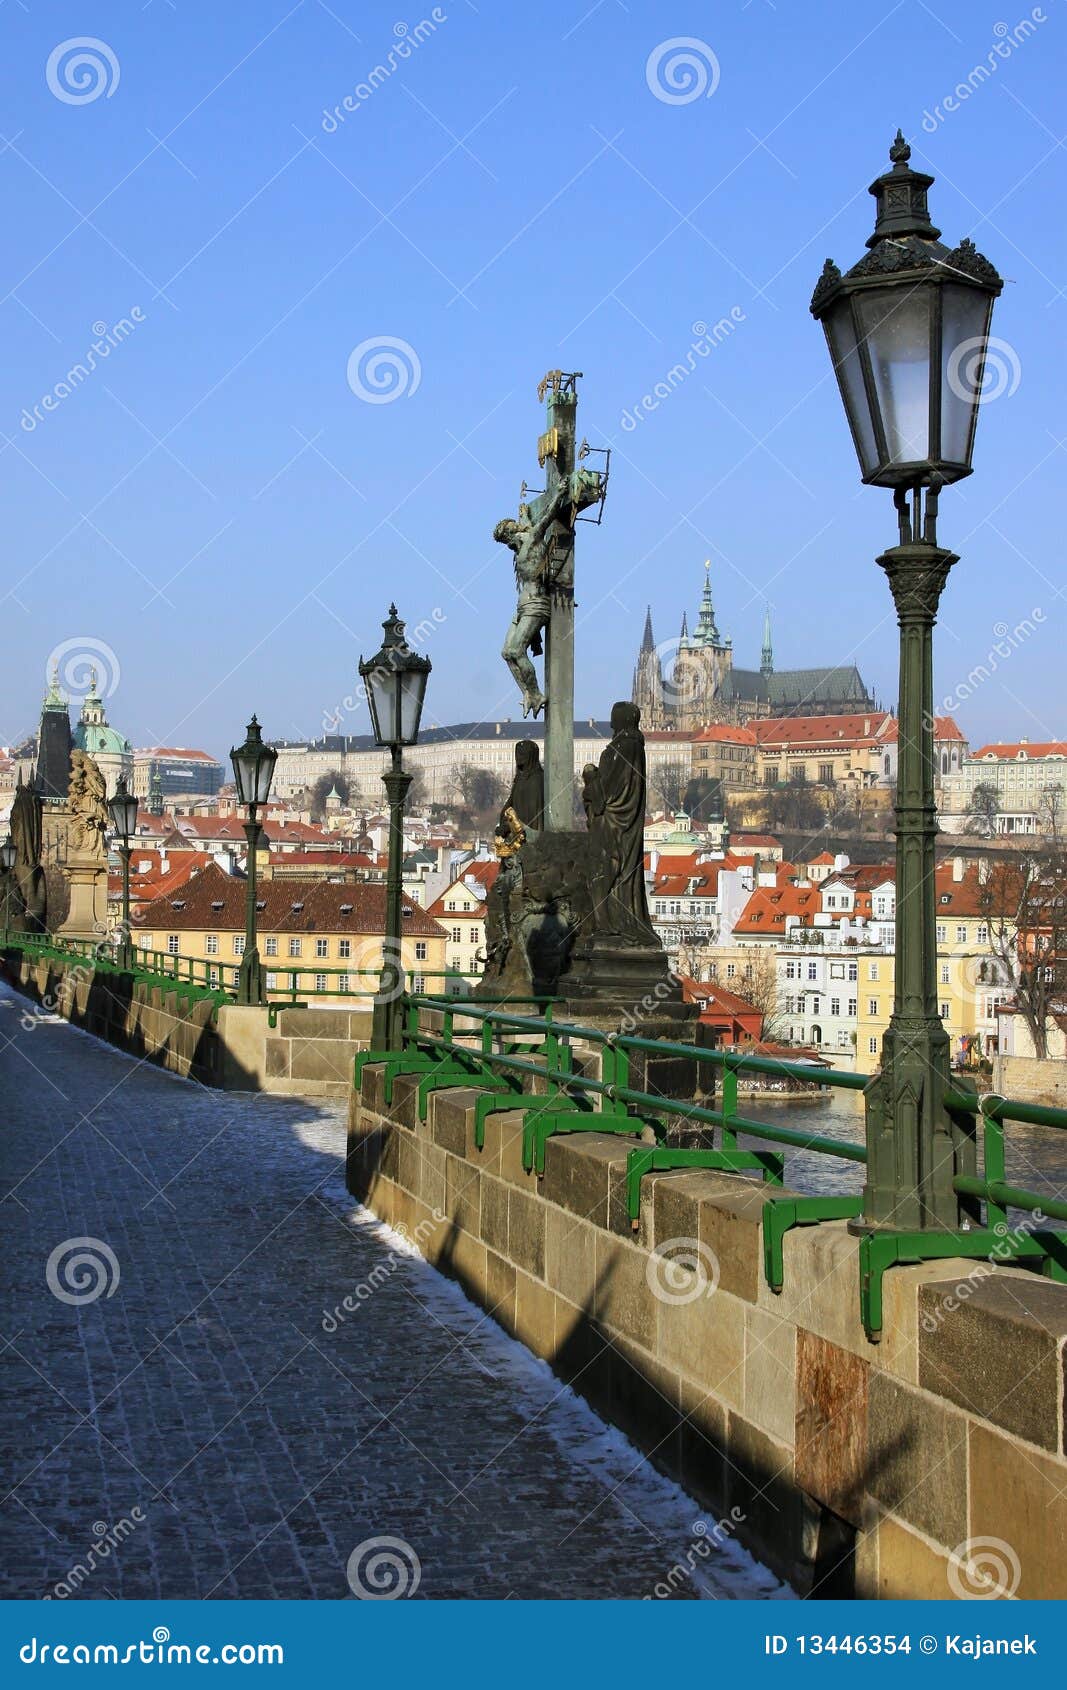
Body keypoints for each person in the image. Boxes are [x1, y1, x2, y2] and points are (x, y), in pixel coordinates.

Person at [495, 481, 572, 717]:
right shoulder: (523, 544)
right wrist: (526, 515)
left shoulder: (530, 541)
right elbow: (532, 524)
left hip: (537, 604)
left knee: (517, 650)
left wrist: (559, 493)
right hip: (523, 606)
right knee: (506, 652)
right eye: (514, 525)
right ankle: (528, 692)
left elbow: (547, 516)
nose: (519, 525)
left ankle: (536, 692)